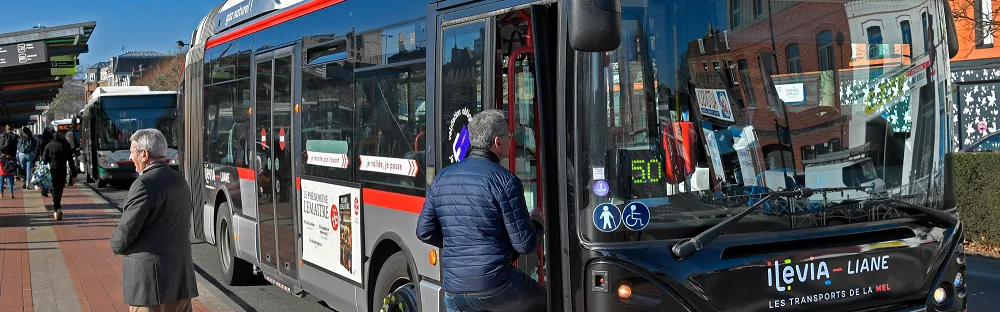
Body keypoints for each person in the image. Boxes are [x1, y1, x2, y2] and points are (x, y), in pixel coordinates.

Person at [416, 109, 546, 312]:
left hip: (454, 291)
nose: (512, 140)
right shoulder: (506, 181)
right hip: (496, 286)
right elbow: (525, 244)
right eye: (509, 135)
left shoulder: (442, 177)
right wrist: (537, 222)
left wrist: (459, 244)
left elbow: (424, 230)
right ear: (498, 142)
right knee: (549, 302)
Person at [110, 129, 198, 312]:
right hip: (179, 277)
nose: (129, 156)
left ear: (144, 154)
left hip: (150, 281)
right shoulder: (179, 180)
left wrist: (115, 245)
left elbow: (127, 230)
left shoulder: (143, 184)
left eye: (132, 152)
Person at [42, 130, 78, 220]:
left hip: (51, 171)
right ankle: (57, 208)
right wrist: (74, 175)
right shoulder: (66, 146)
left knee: (54, 191)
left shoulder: (49, 145)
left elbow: (44, 160)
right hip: (62, 171)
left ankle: (57, 209)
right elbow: (71, 162)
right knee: (59, 190)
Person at [35, 128, 53, 196]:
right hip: (51, 160)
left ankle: (44, 189)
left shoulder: (40, 140)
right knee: (50, 175)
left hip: (42, 159)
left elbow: (37, 151)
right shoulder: (51, 140)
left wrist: (35, 160)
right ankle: (49, 189)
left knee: (43, 175)